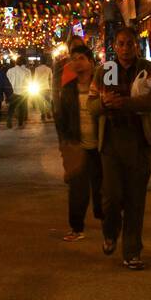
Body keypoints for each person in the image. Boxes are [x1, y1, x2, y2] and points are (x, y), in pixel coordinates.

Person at [89, 26, 151, 270]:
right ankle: (110, 232)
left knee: (135, 199)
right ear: (114, 46)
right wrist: (103, 102)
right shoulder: (104, 71)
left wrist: (128, 103)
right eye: (120, 44)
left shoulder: (148, 69)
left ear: (136, 45)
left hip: (140, 142)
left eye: (129, 44)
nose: (124, 48)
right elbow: (91, 106)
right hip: (111, 143)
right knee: (111, 196)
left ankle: (132, 251)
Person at [55, 44, 102, 242]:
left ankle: (107, 223)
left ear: (91, 62)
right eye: (74, 59)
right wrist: (66, 144)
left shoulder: (101, 87)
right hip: (78, 146)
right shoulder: (67, 90)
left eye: (81, 58)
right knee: (77, 190)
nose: (77, 63)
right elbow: (61, 120)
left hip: (101, 146)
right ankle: (76, 227)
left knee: (104, 188)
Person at [5, 59, 31, 128]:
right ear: (22, 63)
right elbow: (28, 82)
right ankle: (20, 122)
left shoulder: (10, 71)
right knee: (21, 108)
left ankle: (9, 119)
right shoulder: (25, 71)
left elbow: (6, 82)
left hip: (12, 92)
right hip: (22, 93)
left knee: (11, 108)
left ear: (16, 63)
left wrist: (6, 94)